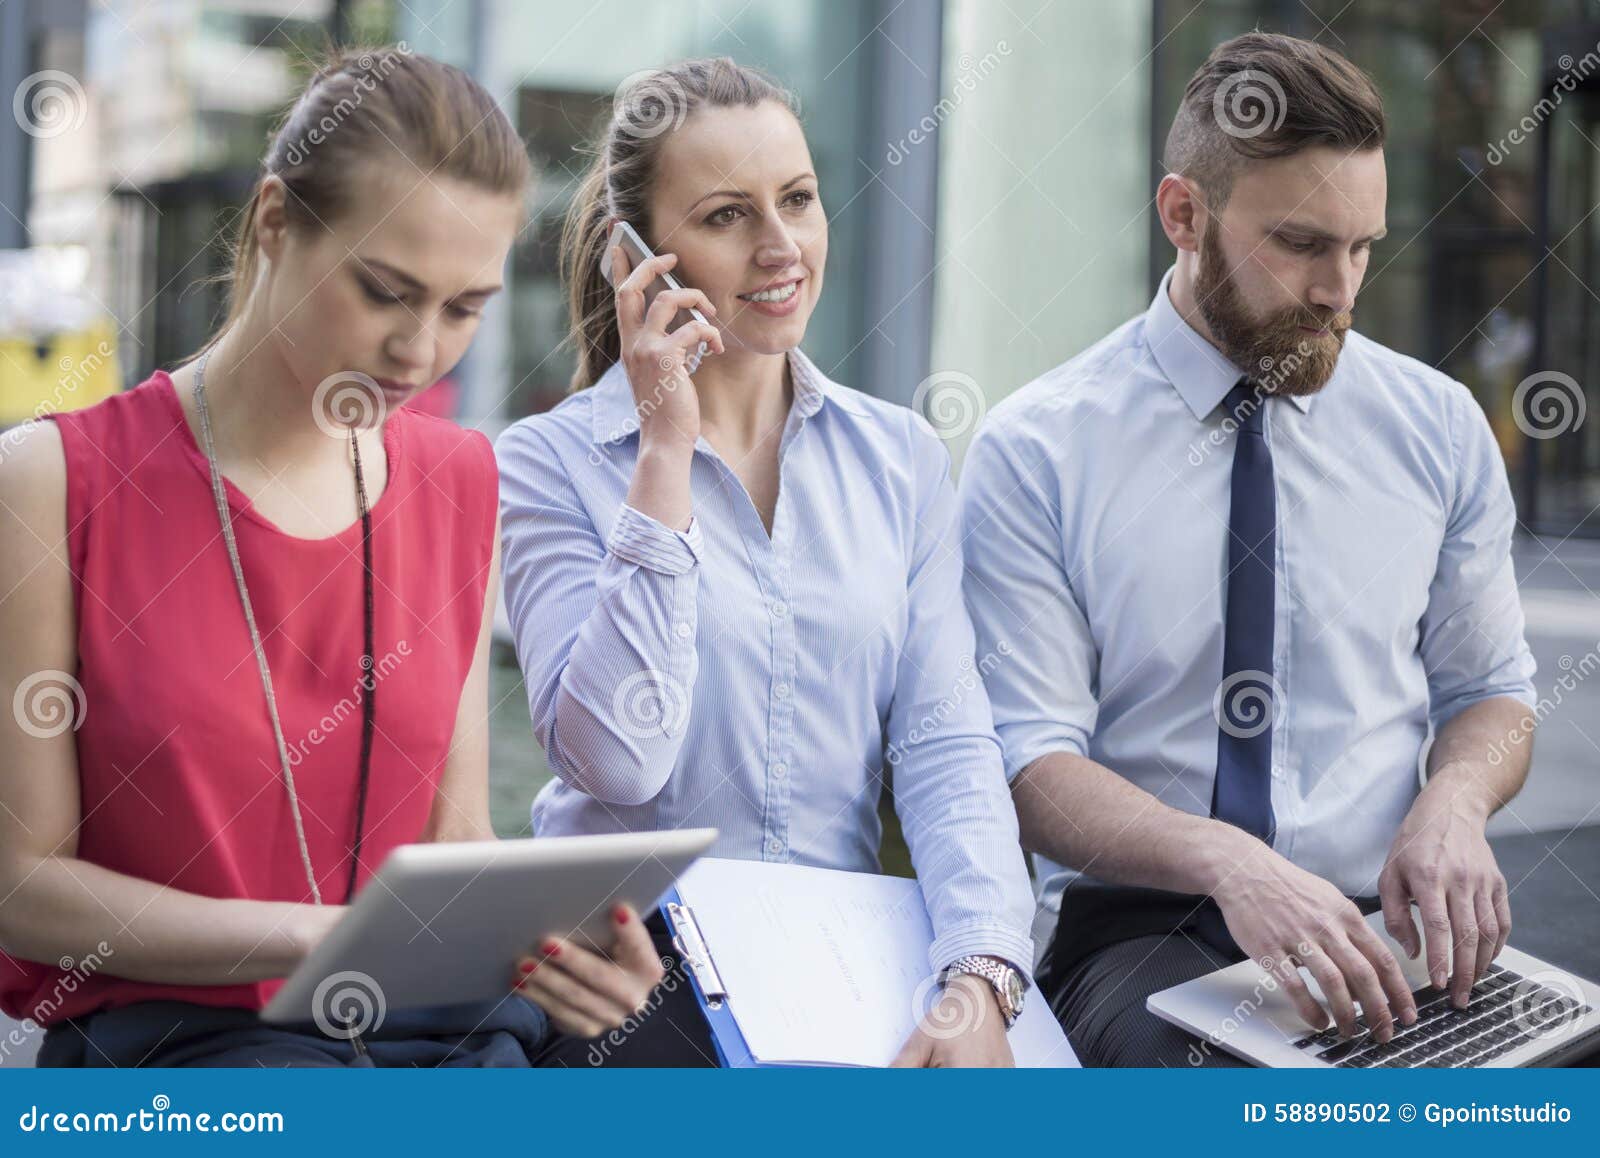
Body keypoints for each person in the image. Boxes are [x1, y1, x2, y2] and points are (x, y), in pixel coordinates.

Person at [0, 47, 662, 1068]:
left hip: (419, 1028)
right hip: (179, 1049)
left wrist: (561, 952)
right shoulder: (57, 481)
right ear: (274, 221)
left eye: (464, 307)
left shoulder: (457, 479)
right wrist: (308, 937)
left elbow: (451, 843)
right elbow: (22, 886)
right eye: (386, 291)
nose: (420, 350)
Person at [958, 32, 1537, 1067]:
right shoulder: (1038, 449)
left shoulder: (1437, 428)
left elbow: (1491, 689)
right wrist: (1232, 865)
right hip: (1148, 932)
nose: (1339, 291)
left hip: (1387, 929)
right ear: (1183, 214)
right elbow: (1028, 765)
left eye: (1362, 247)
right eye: (1302, 243)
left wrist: (1452, 804)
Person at [496, 58, 1036, 1067]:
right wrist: (663, 451)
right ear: (638, 258)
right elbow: (616, 757)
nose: (781, 246)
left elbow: (947, 748)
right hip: (626, 978)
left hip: (837, 967)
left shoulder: (901, 461)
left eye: (797, 199)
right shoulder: (546, 463)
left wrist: (979, 976)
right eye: (727, 215)